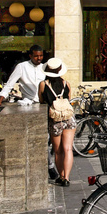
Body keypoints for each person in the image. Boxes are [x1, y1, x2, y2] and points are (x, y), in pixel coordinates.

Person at [37, 57, 74, 186]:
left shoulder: (43, 84)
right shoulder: (66, 83)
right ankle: (68, 177)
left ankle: (62, 176)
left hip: (55, 120)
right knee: (68, 148)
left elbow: (41, 101)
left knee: (58, 150)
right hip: (69, 118)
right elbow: (69, 99)